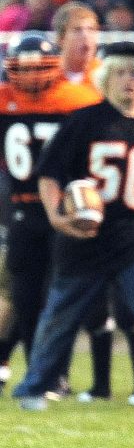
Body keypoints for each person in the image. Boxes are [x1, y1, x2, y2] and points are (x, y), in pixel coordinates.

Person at [12, 43, 134, 412]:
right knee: (62, 314)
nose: (129, 81)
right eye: (121, 72)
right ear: (107, 78)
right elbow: (50, 174)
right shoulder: (84, 121)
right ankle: (35, 386)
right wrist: (58, 216)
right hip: (85, 235)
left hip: (131, 233)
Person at [0, 34, 100, 393]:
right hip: (23, 208)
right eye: (20, 69)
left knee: (62, 295)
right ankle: (42, 375)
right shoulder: (4, 100)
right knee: (27, 297)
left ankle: (55, 373)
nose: (28, 77)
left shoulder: (76, 101)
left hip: (65, 207)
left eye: (36, 68)